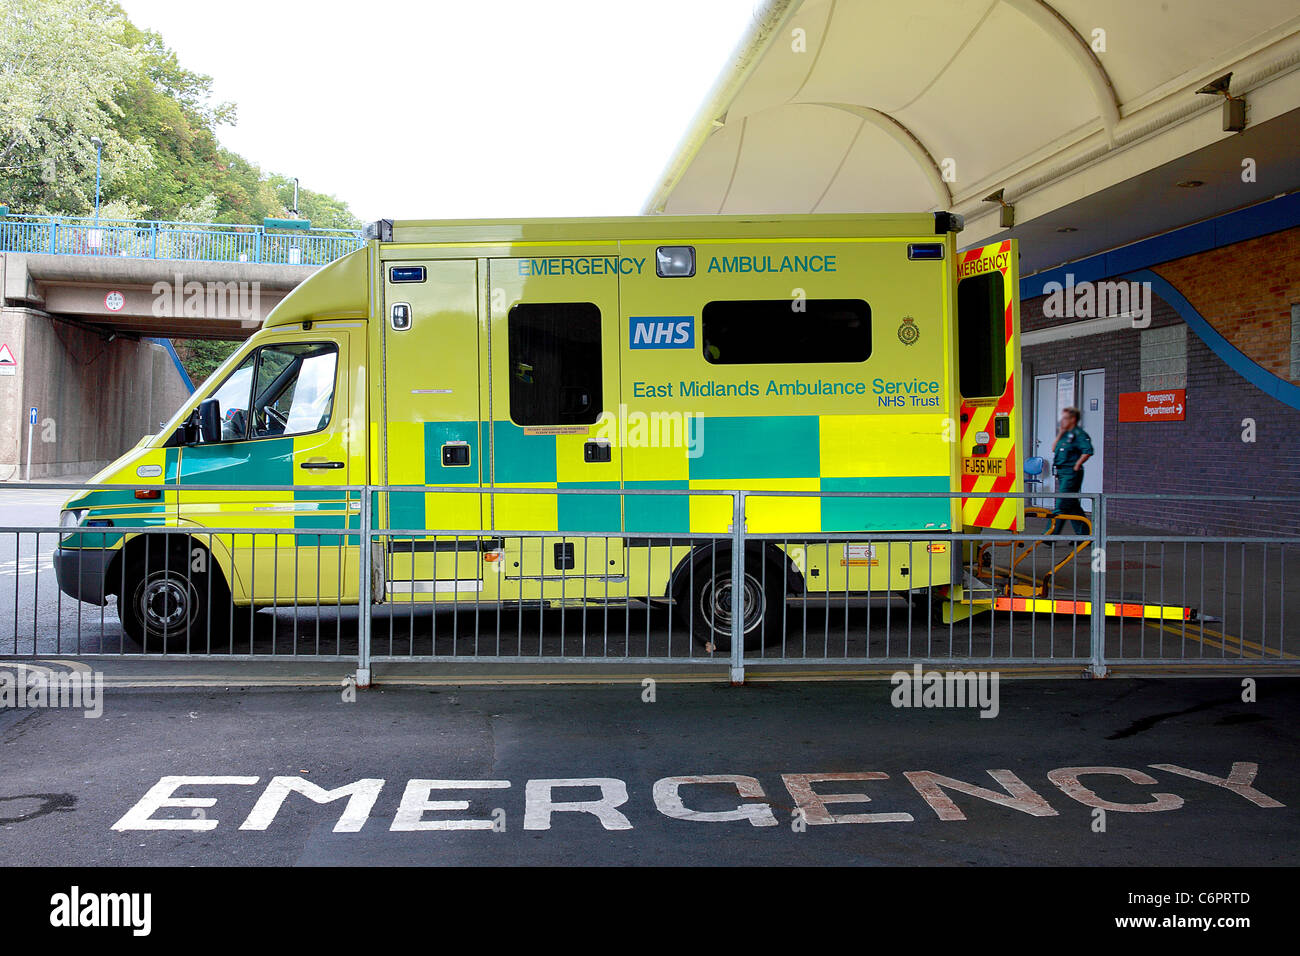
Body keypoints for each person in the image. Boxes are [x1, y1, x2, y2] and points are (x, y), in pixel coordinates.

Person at [1051, 406, 1093, 534]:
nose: (1062, 421)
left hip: (1071, 473)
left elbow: (1088, 451)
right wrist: (1060, 433)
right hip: (1062, 472)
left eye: (1065, 418)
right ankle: (1085, 535)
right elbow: (1054, 448)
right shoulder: (1065, 434)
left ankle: (1050, 535)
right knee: (1072, 505)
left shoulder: (1079, 434)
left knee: (1061, 504)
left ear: (1073, 419)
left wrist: (1077, 465)